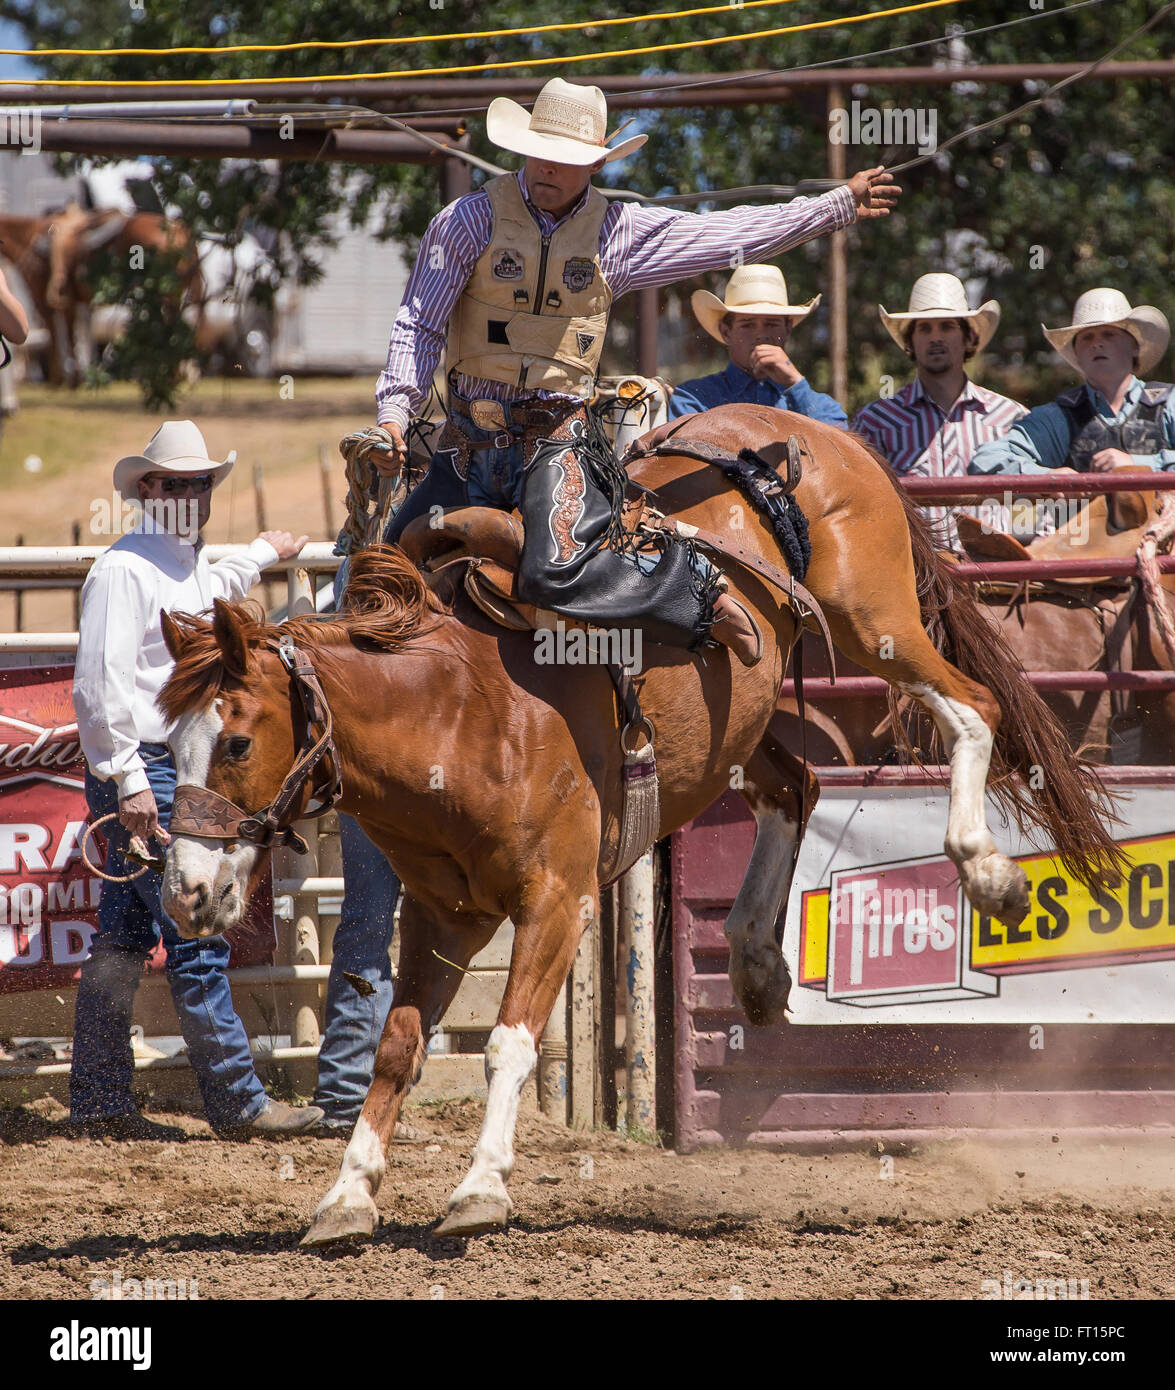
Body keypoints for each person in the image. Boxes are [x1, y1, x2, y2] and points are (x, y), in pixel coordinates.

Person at [360, 76, 899, 669]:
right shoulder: (466, 222)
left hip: (554, 444)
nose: (548, 168)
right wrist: (393, 416)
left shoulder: (619, 233)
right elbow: (419, 323)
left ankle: (700, 596)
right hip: (467, 444)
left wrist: (834, 205)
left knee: (555, 568)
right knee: (376, 573)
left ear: (594, 165)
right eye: (541, 152)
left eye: (567, 159)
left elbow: (728, 235)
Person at [70, 420, 323, 1141]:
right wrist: (127, 779)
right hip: (147, 767)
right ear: (147, 490)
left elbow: (210, 586)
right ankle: (240, 1104)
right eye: (174, 483)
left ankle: (97, 1101)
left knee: (121, 936)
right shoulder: (125, 569)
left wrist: (260, 554)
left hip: (155, 766)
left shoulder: (174, 562)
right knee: (195, 928)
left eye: (197, 483)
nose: (188, 494)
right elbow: (99, 685)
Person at [851, 272, 1027, 549]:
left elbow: (1041, 501)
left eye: (946, 327)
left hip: (996, 576)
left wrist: (1035, 559)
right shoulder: (876, 422)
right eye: (925, 329)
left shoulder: (1010, 417)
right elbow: (858, 505)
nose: (935, 338)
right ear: (909, 343)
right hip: (916, 580)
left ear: (969, 339)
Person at [969, 288, 1174, 476]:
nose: (1097, 343)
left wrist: (1137, 464)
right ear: (1077, 353)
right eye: (1086, 337)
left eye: (1109, 334)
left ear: (1134, 346)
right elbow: (985, 461)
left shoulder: (1169, 404)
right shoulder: (1057, 417)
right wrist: (1047, 477)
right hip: (1082, 518)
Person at [668, 263, 846, 425]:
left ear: (788, 329)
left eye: (771, 324)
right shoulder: (694, 397)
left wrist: (794, 382)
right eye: (747, 325)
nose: (761, 334)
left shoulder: (817, 404)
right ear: (726, 332)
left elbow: (842, 444)